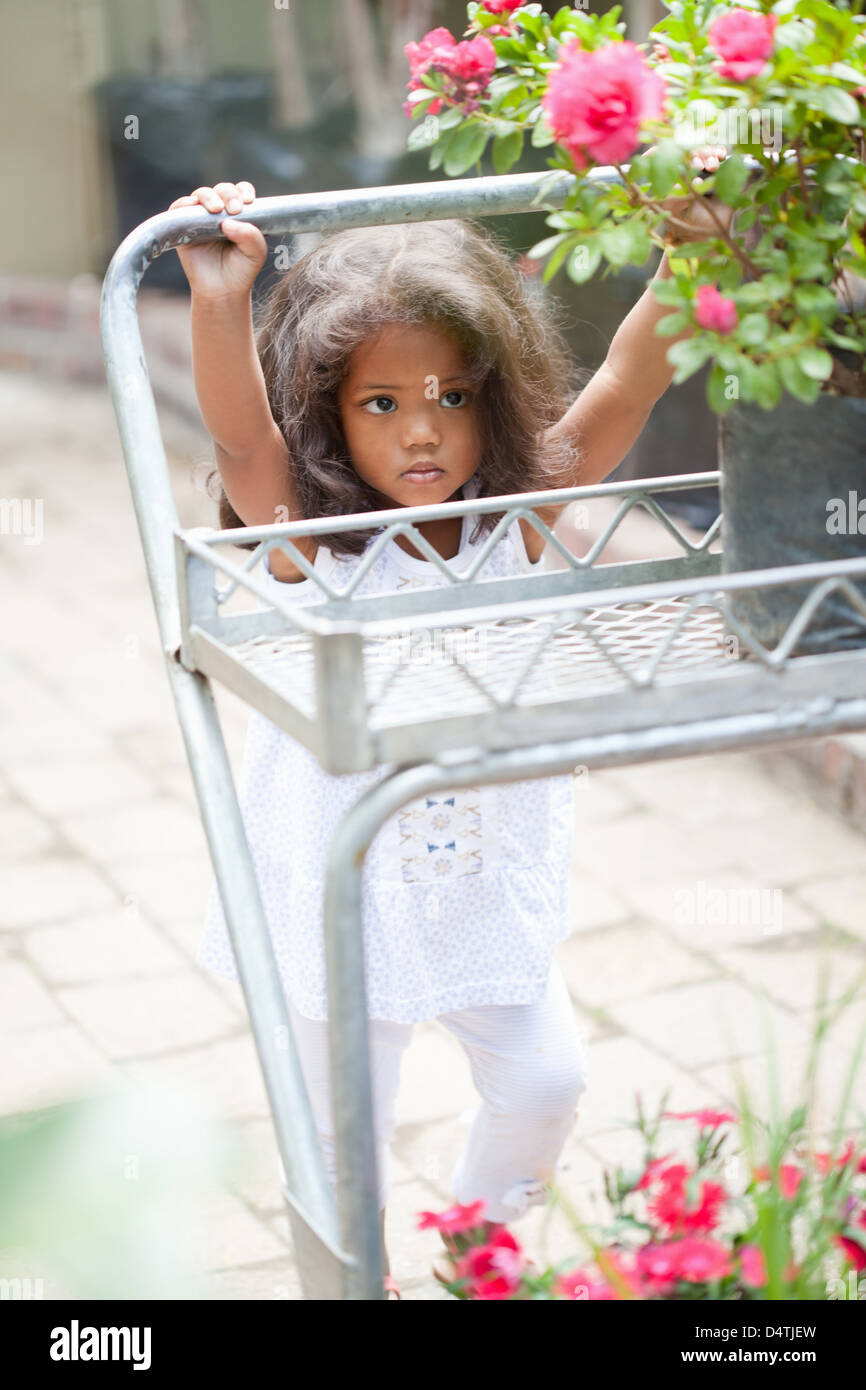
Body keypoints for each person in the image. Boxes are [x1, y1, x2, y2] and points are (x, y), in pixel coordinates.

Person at [170, 152, 728, 1298]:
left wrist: (690, 247)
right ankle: (351, 1281)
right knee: (342, 1147)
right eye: (380, 404)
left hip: (479, 891)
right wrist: (221, 298)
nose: (420, 433)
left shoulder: (510, 524)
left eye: (451, 398)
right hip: (341, 900)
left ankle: (481, 1254)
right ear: (328, 417)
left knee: (545, 1084)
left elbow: (625, 385)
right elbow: (239, 447)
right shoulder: (309, 549)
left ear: (494, 397)